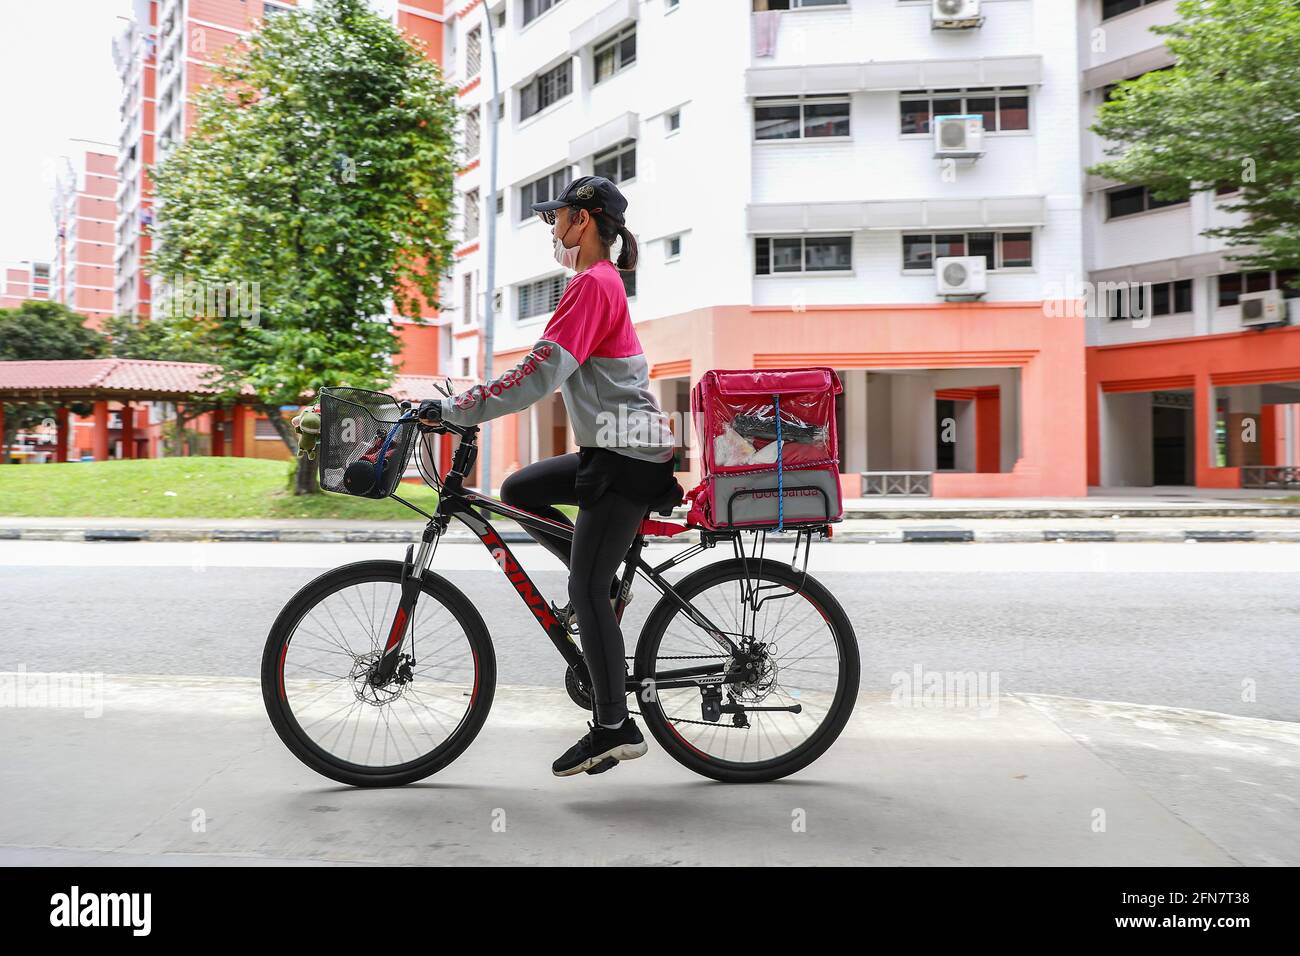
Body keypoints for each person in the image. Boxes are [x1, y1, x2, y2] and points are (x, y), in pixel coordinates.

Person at [418, 175, 680, 777]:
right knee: (520, 490)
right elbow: (543, 372)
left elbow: (538, 375)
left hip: (628, 457)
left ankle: (615, 727)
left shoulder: (593, 286)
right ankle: (604, 580)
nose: (553, 229)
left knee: (585, 590)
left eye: (556, 218)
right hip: (610, 450)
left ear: (582, 221)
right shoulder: (596, 283)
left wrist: (455, 409)